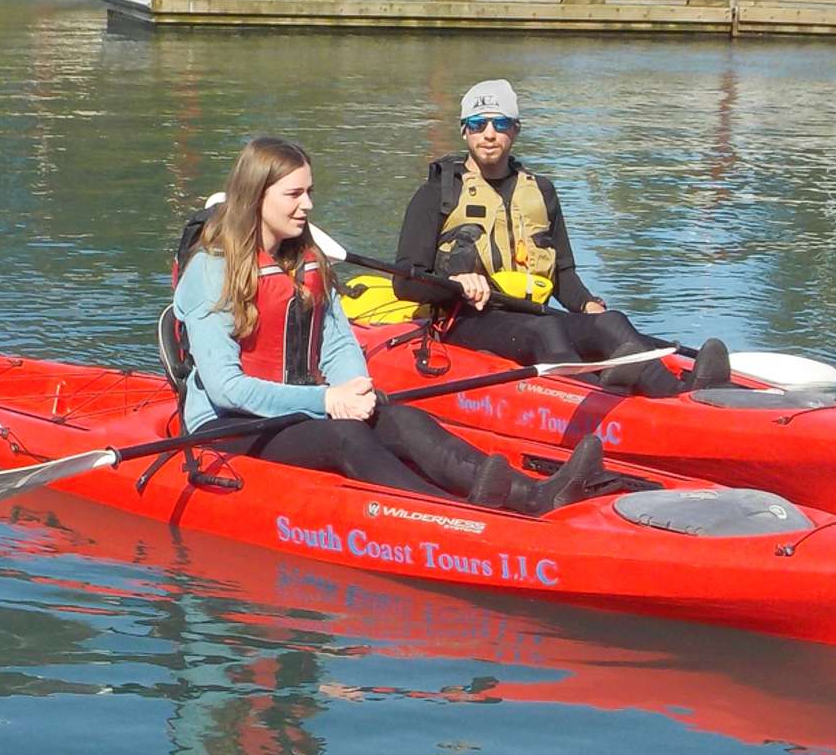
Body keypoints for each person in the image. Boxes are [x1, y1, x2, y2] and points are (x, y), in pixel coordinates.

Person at [174, 137, 601, 514]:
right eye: (294, 194)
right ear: (256, 197)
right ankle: (450, 515)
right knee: (346, 439)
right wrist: (327, 401)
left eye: (310, 192)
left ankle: (536, 496)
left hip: (302, 404)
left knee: (405, 422)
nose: (308, 205)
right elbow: (225, 388)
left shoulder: (305, 260)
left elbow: (337, 341)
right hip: (228, 423)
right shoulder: (212, 272)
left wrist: (356, 388)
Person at [391, 80, 729, 397]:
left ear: (516, 130)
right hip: (465, 320)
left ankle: (684, 397)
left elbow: (562, 274)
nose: (489, 134)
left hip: (530, 313)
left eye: (501, 124)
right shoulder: (438, 193)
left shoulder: (541, 191)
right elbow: (404, 282)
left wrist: (587, 305)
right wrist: (454, 282)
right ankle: (600, 401)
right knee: (546, 333)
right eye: (478, 124)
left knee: (611, 322)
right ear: (465, 131)